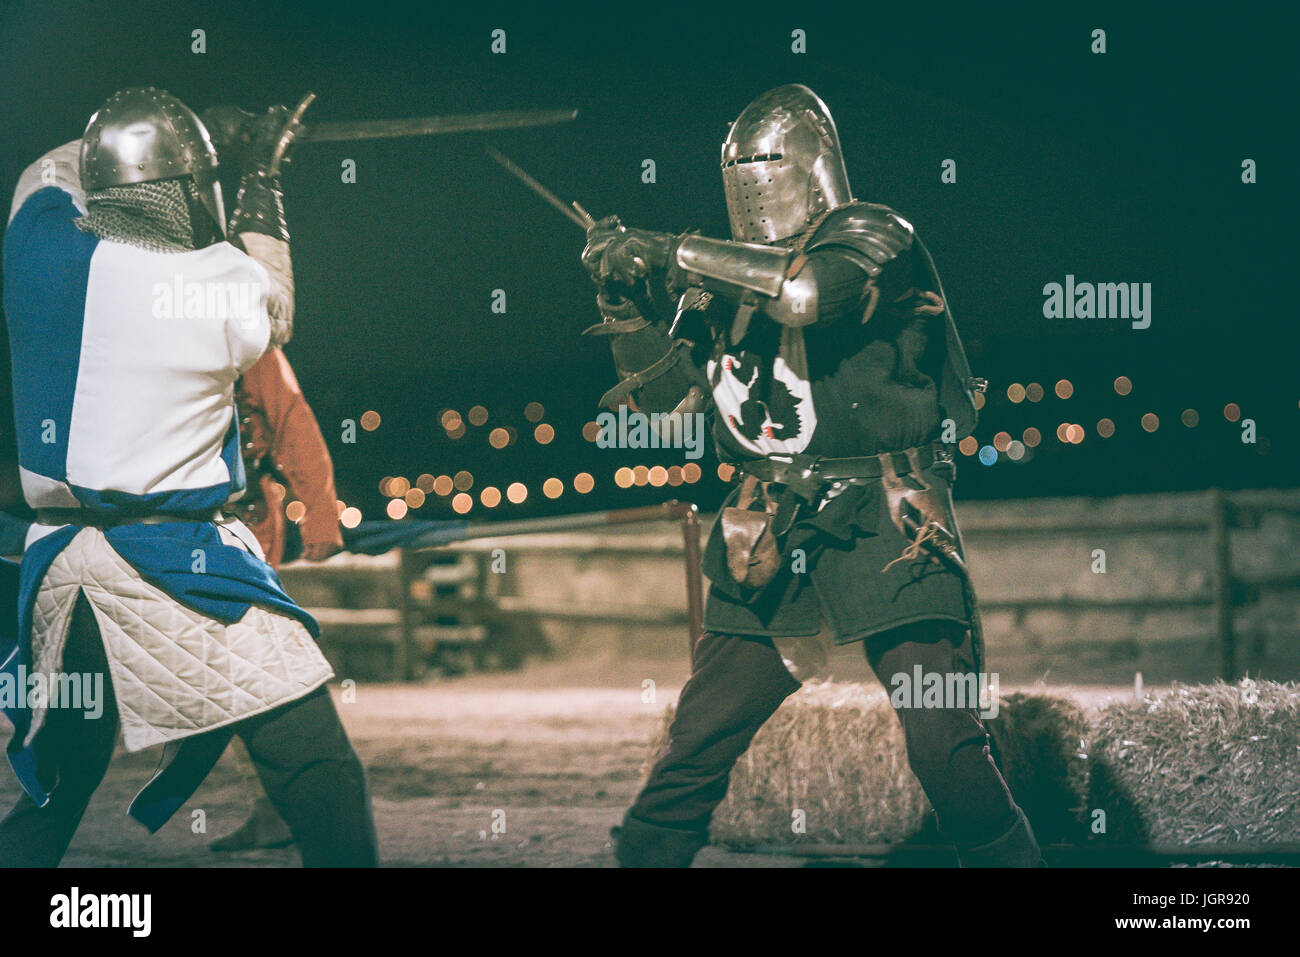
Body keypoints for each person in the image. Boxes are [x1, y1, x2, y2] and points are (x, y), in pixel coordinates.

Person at [580, 84, 1041, 867]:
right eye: (743, 165)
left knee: (943, 740)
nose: (756, 180)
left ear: (812, 161)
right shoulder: (729, 278)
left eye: (769, 161)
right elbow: (674, 412)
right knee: (698, 737)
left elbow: (805, 294)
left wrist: (668, 250)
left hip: (887, 523)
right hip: (767, 523)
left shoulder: (877, 236)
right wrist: (626, 311)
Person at [0, 87, 377, 866]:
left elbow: (47, 173)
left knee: (63, 785)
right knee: (322, 771)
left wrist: (167, 141)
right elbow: (274, 306)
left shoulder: (34, 250)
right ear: (184, 190)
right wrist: (259, 173)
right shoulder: (207, 287)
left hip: (61, 575)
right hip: (176, 567)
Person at [209, 347, 345, 852]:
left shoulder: (245, 338)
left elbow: (291, 422)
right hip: (169, 524)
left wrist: (322, 514)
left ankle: (281, 809)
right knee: (223, 677)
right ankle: (273, 808)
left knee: (247, 671)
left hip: (242, 522)